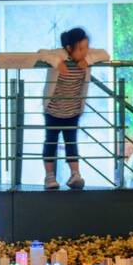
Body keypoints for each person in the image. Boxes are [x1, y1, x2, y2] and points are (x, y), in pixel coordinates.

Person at [36, 27, 110, 190]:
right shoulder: (59, 55)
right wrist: (57, 63)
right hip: (53, 110)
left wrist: (88, 61)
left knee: (71, 142)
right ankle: (49, 177)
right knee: (51, 142)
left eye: (86, 48)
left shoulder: (87, 56)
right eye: (81, 49)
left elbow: (105, 54)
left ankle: (75, 174)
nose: (85, 52)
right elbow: (40, 53)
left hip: (73, 110)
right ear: (69, 48)